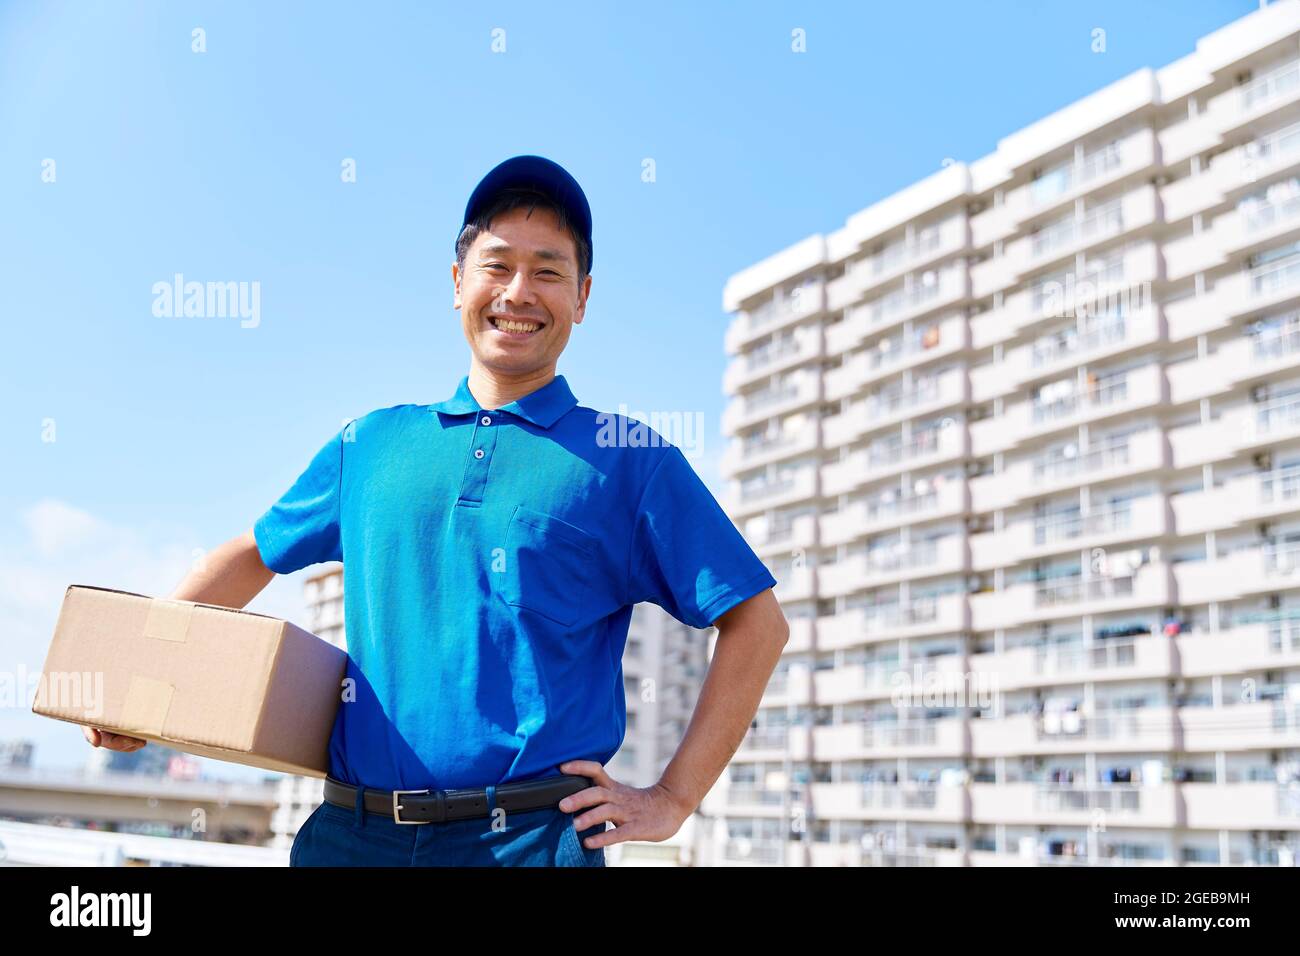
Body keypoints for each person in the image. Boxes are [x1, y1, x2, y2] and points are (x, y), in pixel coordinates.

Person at [86, 154, 789, 867]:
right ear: (458, 283)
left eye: (548, 271)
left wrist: (671, 798)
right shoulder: (372, 444)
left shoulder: (629, 458)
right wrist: (137, 688)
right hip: (349, 838)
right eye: (496, 265)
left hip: (529, 844)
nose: (519, 292)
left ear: (582, 297)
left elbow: (757, 623)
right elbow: (250, 555)